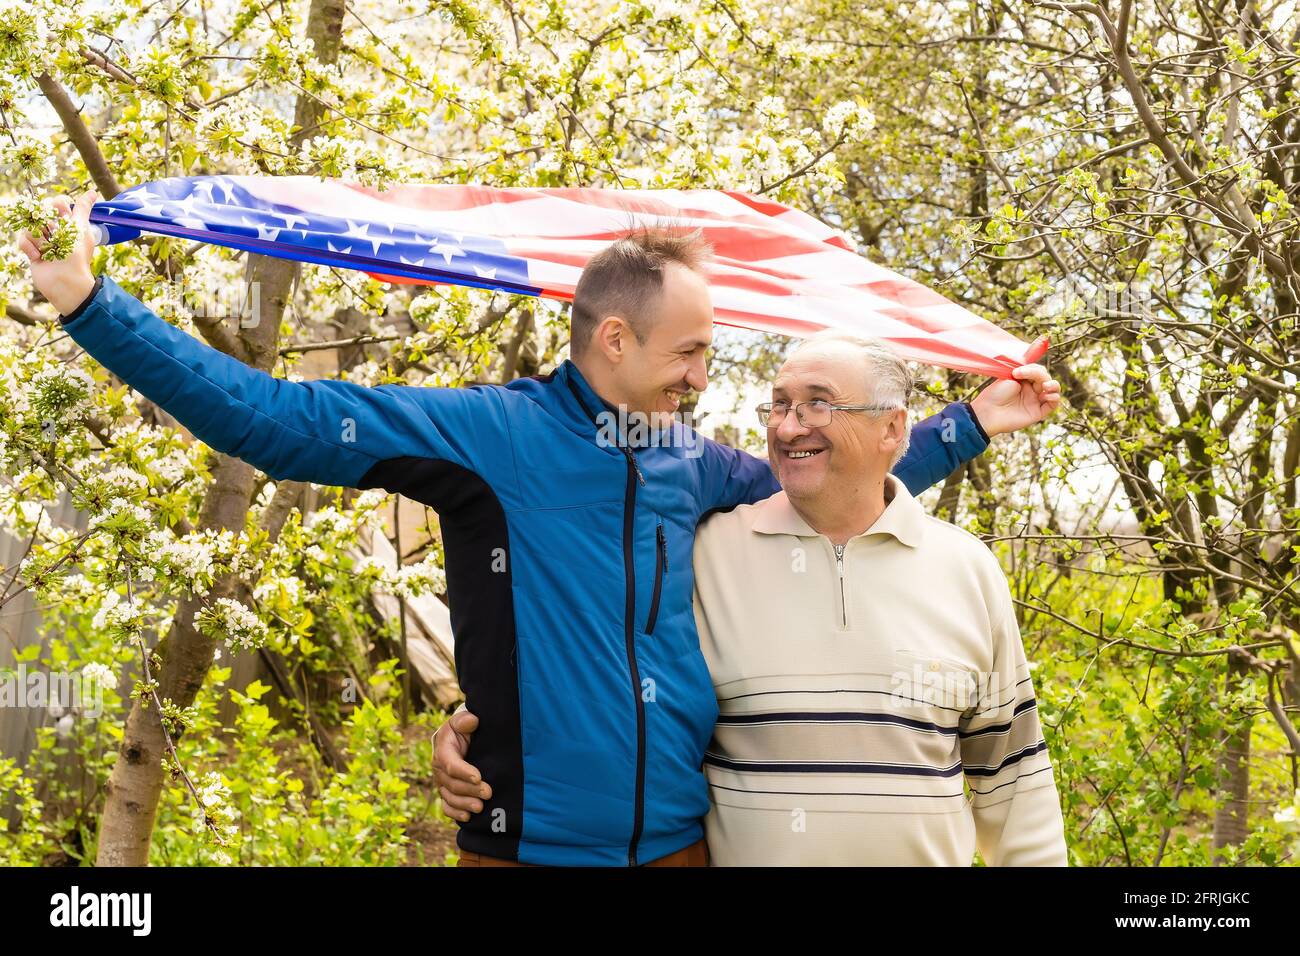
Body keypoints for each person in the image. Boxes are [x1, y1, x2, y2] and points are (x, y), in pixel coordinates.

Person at [20, 190, 1060, 865]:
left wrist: (970, 420)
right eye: (691, 351)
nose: (706, 377)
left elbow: (831, 478)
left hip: (684, 852)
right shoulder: (488, 436)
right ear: (614, 336)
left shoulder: (687, 459)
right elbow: (275, 421)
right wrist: (90, 306)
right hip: (527, 851)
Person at [439, 330, 1069, 866]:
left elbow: (1014, 781)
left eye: (817, 405)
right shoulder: (705, 554)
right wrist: (489, 729)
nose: (788, 428)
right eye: (779, 406)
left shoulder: (966, 567)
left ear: (893, 427)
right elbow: (595, 663)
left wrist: (973, 421)